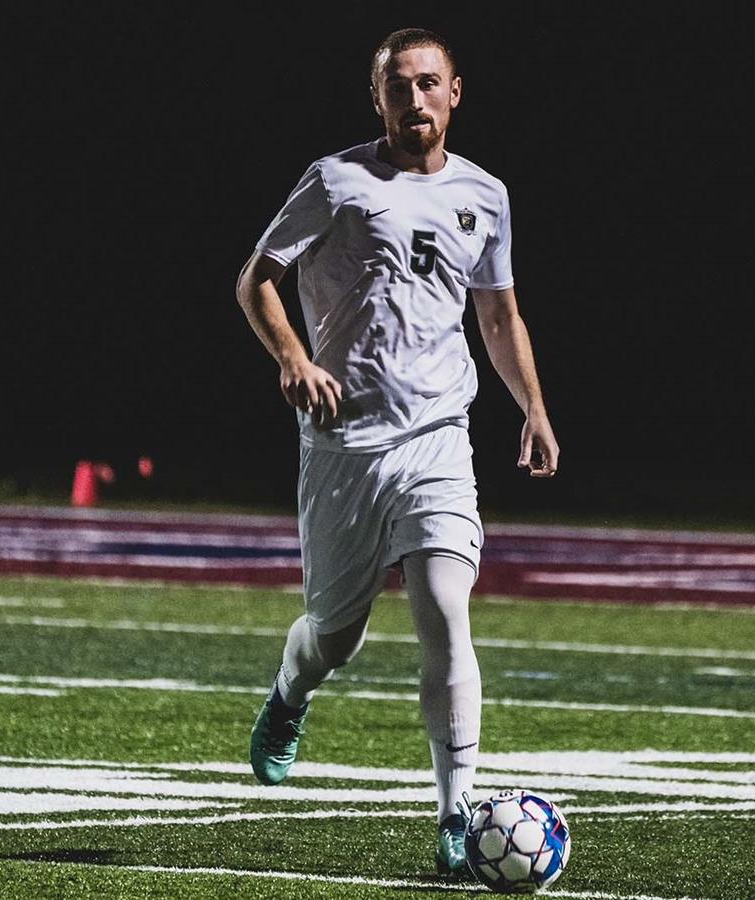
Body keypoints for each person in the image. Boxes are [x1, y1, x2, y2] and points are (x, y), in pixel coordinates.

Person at [234, 26, 559, 877]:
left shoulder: (485, 194)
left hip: (438, 436)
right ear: (376, 97)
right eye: (398, 85)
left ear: (455, 93)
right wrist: (294, 359)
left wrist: (532, 407)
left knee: (445, 610)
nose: (415, 98)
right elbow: (255, 280)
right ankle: (290, 691)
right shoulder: (334, 180)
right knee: (334, 637)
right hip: (345, 444)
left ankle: (456, 816)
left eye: (428, 83)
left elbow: (498, 314)